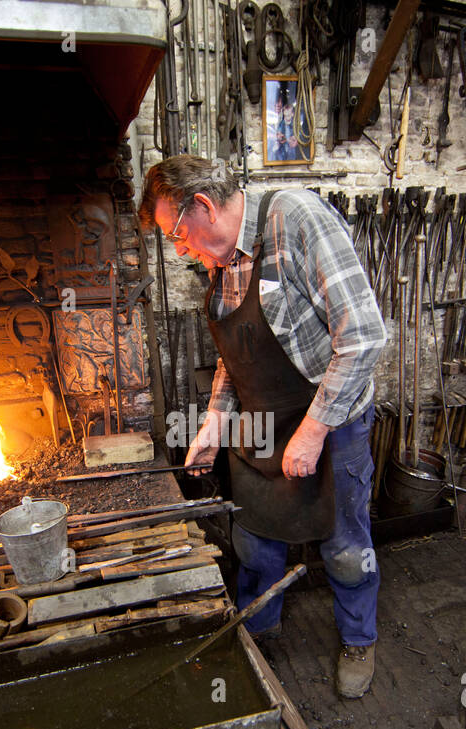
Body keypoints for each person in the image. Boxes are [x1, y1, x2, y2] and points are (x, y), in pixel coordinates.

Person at [138, 156, 386, 697]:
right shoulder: (221, 261)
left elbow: (364, 335)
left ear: (203, 206)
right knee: (254, 539)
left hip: (329, 415)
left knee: (344, 546)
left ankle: (358, 638)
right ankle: (260, 629)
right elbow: (236, 353)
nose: (179, 249)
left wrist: (313, 431)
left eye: (177, 234)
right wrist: (213, 423)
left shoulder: (295, 220)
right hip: (260, 421)